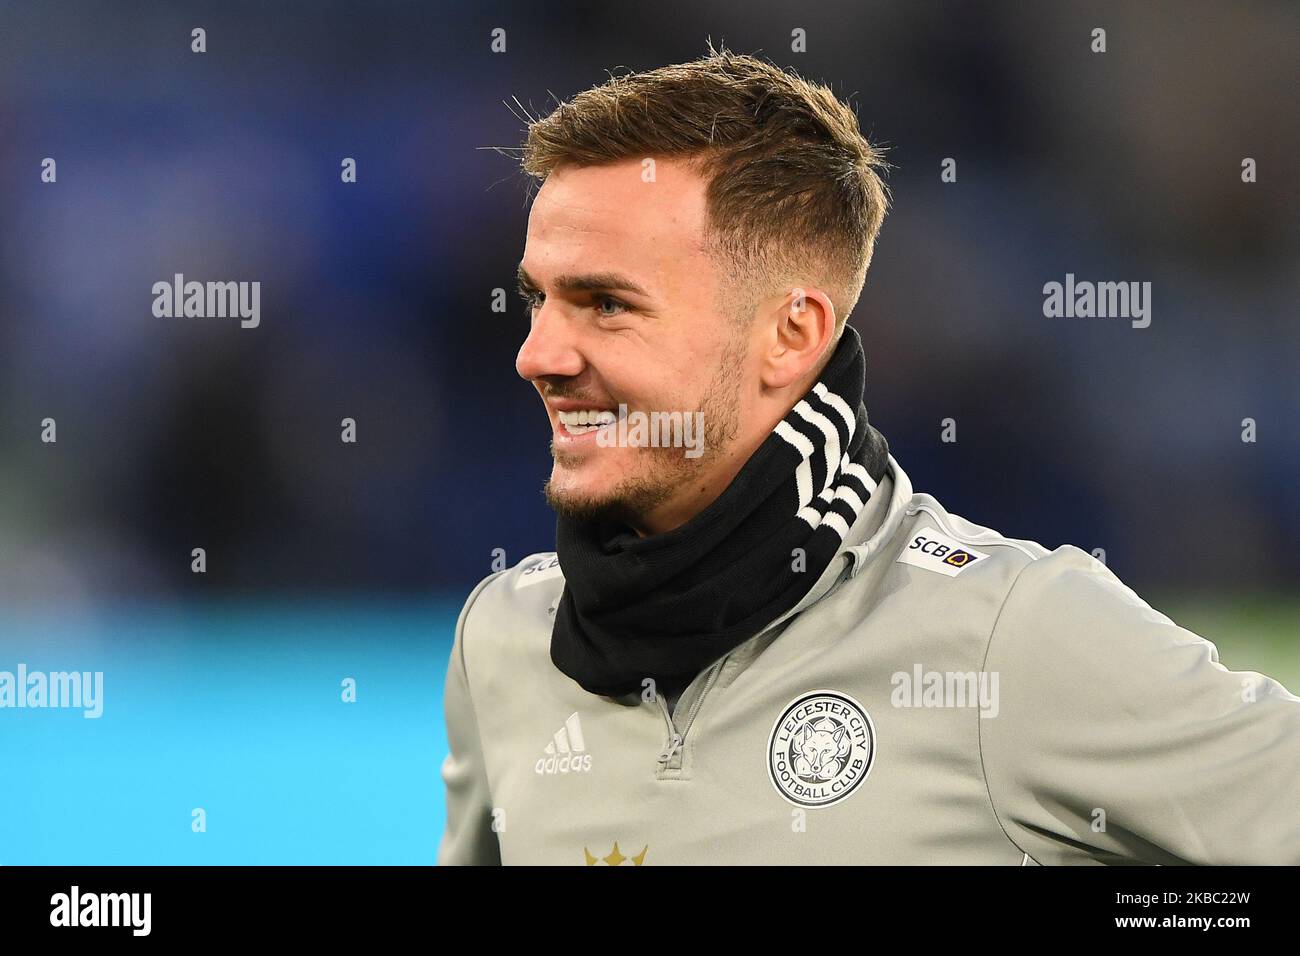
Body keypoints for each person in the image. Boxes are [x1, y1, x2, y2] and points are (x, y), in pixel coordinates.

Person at [437, 47, 1300, 865]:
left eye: (607, 304)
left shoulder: (1009, 637)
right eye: (538, 298)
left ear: (792, 334)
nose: (538, 354)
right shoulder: (502, 640)